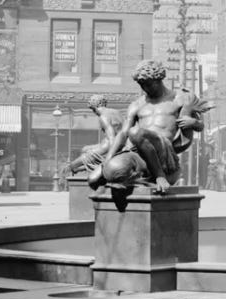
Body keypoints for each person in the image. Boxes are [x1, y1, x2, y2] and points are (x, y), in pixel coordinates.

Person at [89, 59, 209, 196]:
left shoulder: (179, 99)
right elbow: (123, 133)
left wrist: (194, 123)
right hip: (138, 152)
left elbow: (198, 127)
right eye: (141, 85)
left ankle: (159, 176)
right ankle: (135, 180)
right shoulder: (137, 104)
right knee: (101, 176)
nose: (145, 88)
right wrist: (107, 159)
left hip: (164, 152)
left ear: (159, 79)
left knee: (135, 132)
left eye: (148, 84)